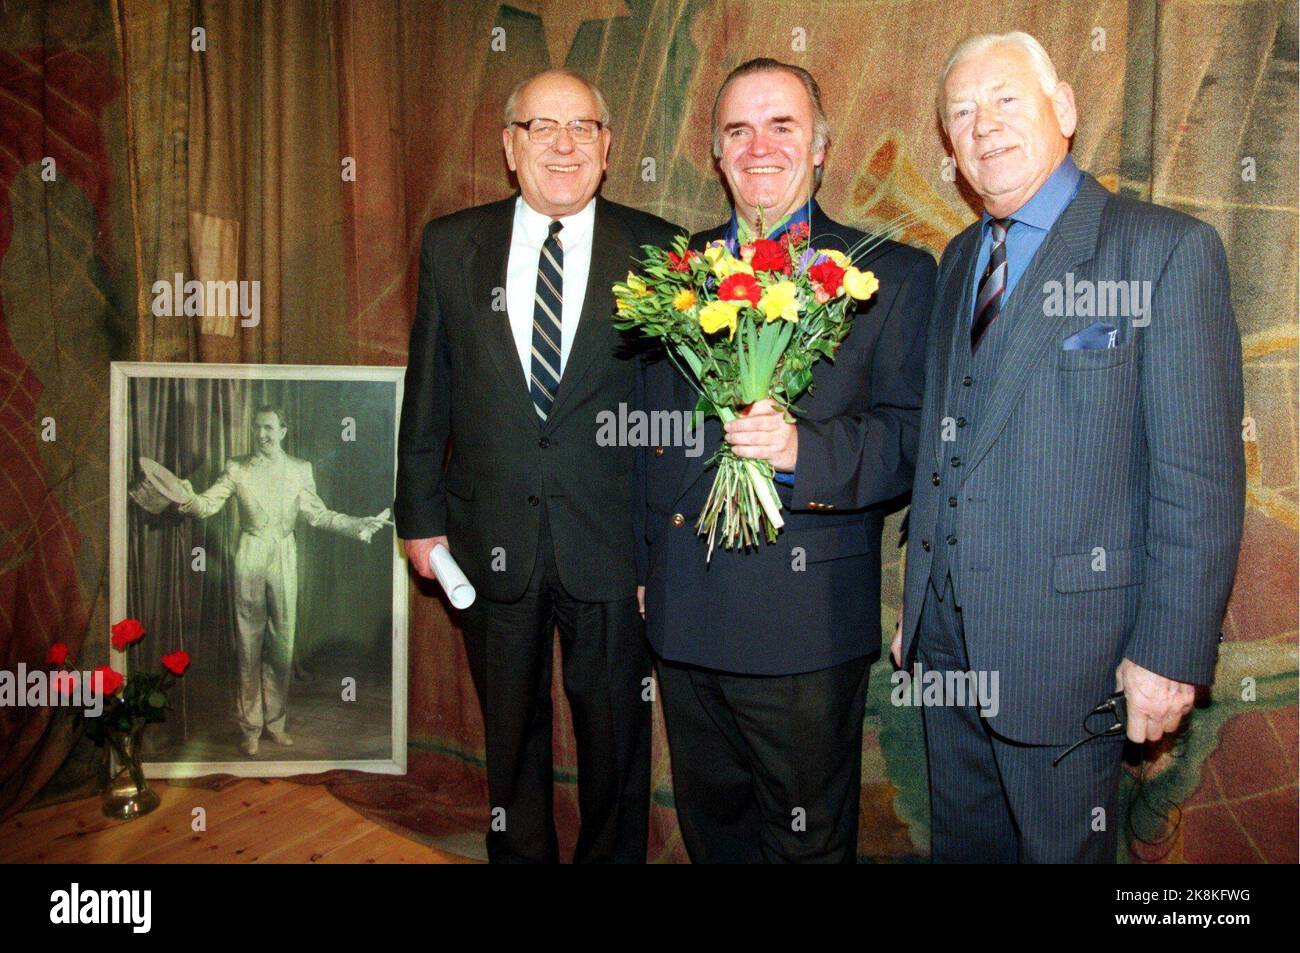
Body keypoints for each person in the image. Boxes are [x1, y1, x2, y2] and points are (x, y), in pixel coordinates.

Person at [895, 31, 1245, 863]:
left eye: (1006, 99)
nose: (984, 127)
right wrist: (919, 602)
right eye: (963, 113)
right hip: (947, 651)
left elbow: (1198, 478)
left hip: (1068, 656)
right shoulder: (955, 261)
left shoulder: (1164, 251)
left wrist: (1168, 653)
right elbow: (946, 446)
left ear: (1065, 109)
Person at [637, 58, 936, 863]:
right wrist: (645, 564)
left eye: (782, 126)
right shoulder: (675, 272)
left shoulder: (893, 277)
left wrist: (805, 449)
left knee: (805, 845)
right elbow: (649, 434)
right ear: (717, 153)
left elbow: (913, 442)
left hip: (803, 626)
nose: (758, 145)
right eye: (738, 129)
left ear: (820, 149)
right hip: (683, 616)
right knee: (715, 835)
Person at [394, 68, 678, 863]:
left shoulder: (659, 250)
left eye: (582, 127)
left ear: (608, 146)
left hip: (615, 544)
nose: (563, 144)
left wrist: (668, 542)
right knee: (510, 734)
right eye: (541, 127)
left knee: (616, 733)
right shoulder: (453, 245)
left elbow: (679, 415)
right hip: (487, 534)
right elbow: (430, 392)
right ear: (510, 146)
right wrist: (418, 518)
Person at [176, 405, 387, 756]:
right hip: (250, 552)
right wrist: (186, 496)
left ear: (283, 431)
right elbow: (207, 505)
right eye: (257, 427)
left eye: (269, 428)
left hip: (284, 555)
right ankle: (250, 728)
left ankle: (275, 723)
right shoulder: (236, 468)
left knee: (282, 644)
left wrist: (359, 524)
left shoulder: (300, 470)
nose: (262, 434)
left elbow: (319, 516)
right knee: (248, 643)